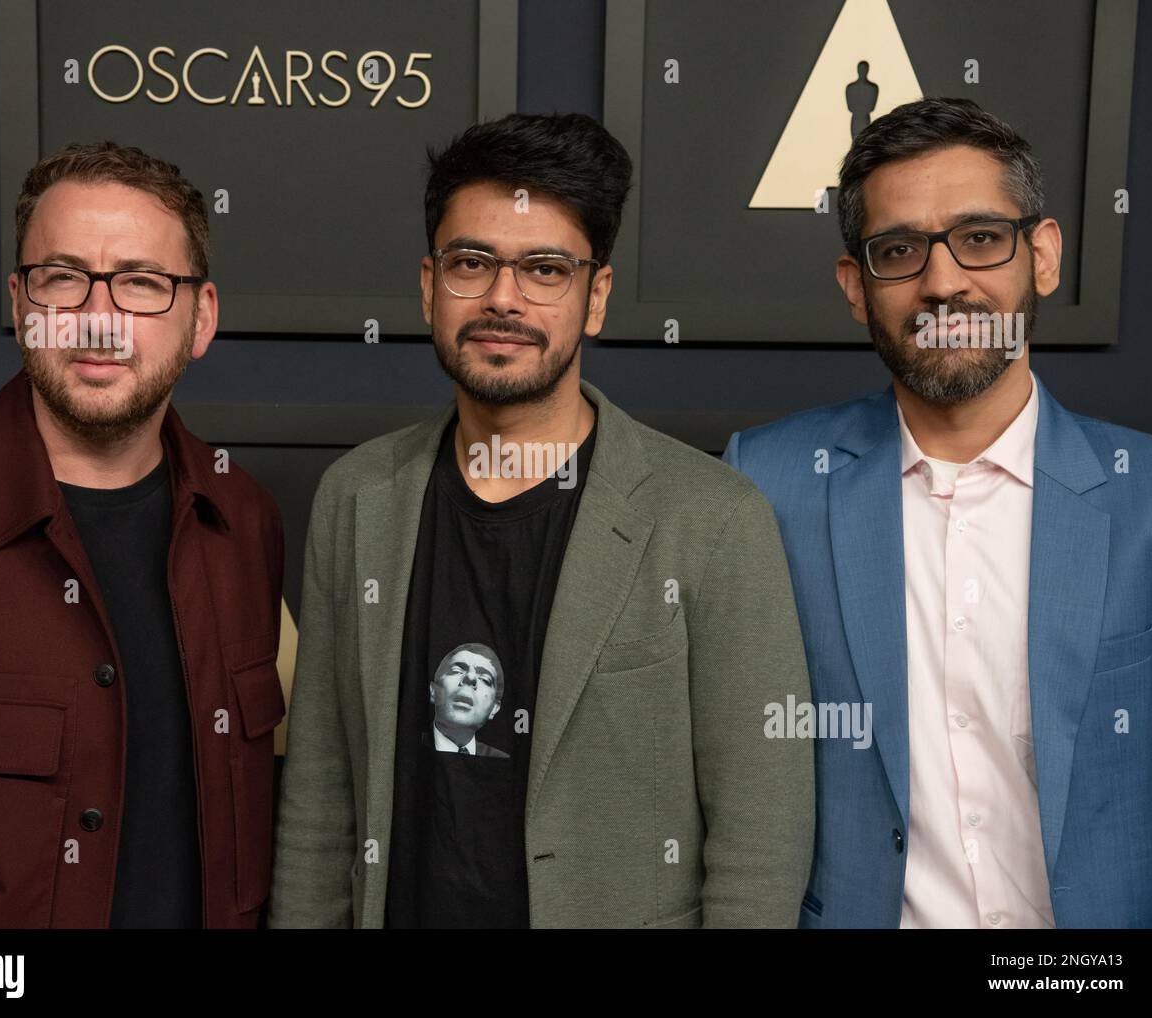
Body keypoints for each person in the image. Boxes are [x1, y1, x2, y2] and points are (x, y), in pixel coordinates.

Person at [271, 112, 813, 929]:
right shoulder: (356, 499)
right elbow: (320, 799)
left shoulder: (711, 517)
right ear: (428, 285)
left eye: (545, 269)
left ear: (595, 297)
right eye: (471, 262)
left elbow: (762, 835)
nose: (502, 298)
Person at [725, 97, 1152, 928]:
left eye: (979, 238)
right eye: (899, 251)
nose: (942, 282)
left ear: (1042, 255)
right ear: (856, 288)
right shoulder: (769, 482)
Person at [0, 141, 285, 928]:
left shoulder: (246, 523)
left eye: (141, 283)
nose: (99, 321)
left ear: (201, 319)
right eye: (63, 279)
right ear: (22, 306)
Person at [424, 643, 510, 757]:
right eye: (457, 671)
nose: (470, 677)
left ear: (494, 709)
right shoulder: (406, 746)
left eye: (485, 679)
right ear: (433, 691)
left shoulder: (501, 760)